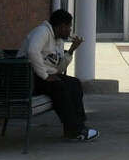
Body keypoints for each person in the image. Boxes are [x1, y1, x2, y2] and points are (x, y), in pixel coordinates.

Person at [22, 8, 98, 141]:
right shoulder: (42, 32)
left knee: (74, 83)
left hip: (43, 76)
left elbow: (59, 69)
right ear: (62, 26)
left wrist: (71, 50)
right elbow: (32, 51)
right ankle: (74, 130)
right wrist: (45, 76)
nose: (70, 30)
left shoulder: (59, 41)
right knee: (59, 87)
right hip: (28, 76)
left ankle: (79, 126)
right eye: (69, 27)